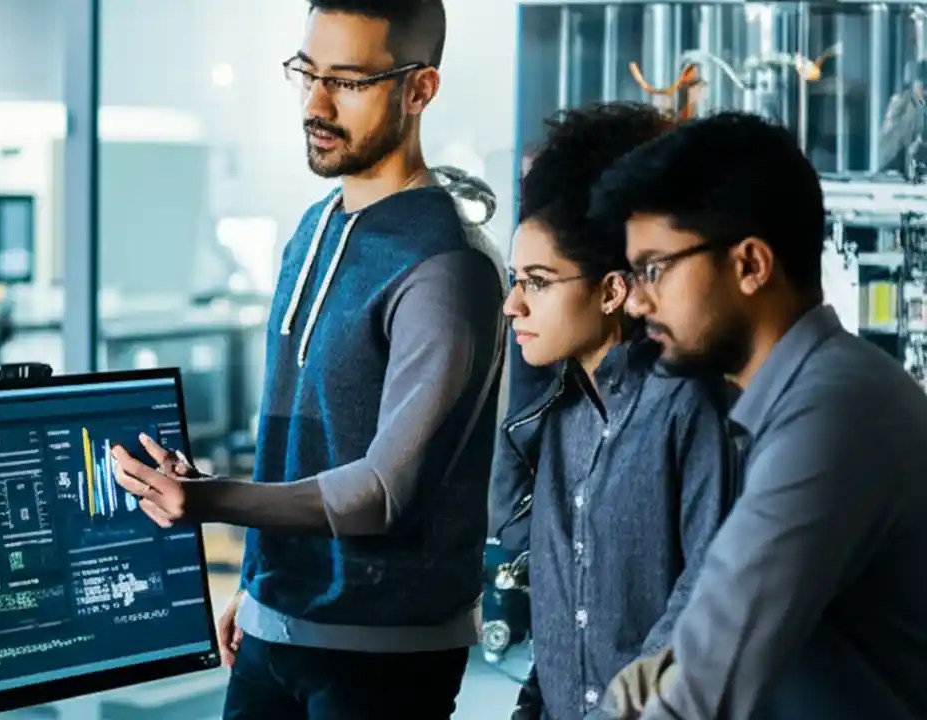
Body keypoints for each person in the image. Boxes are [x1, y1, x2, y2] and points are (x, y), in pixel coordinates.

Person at [110, 1, 507, 718]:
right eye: (307, 73)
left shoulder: (446, 266)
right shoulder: (314, 227)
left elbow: (386, 491)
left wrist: (207, 500)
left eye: (348, 82)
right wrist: (259, 584)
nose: (316, 104)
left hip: (383, 655)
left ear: (420, 90)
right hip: (274, 626)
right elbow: (294, 445)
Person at [588, 112, 927, 720]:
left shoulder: (833, 415)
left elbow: (704, 694)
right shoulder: (806, 397)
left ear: (750, 265)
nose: (637, 301)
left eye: (654, 269)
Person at [490, 102, 738, 720]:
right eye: (515, 280)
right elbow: (555, 628)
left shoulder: (689, 405)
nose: (512, 306)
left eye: (538, 282)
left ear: (613, 289)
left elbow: (705, 604)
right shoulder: (557, 417)